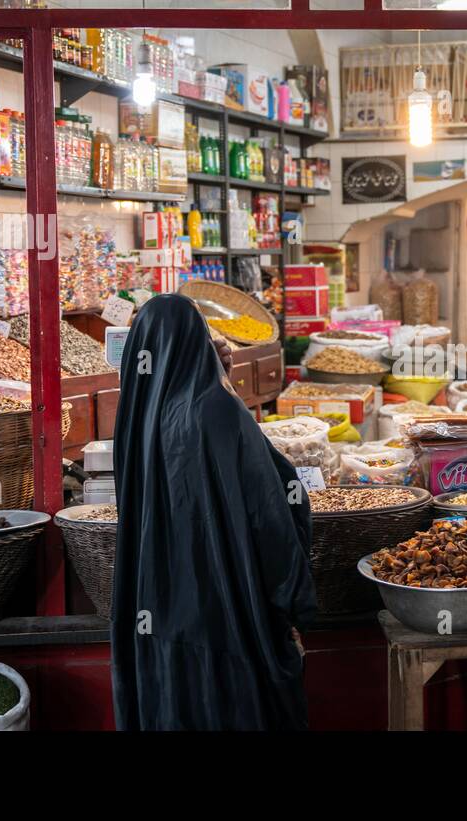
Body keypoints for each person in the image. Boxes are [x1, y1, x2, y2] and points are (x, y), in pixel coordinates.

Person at [111, 294, 316, 731]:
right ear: (200, 342)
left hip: (161, 614)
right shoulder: (218, 410)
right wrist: (295, 601)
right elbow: (270, 509)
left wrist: (218, 380)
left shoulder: (136, 416)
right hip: (225, 617)